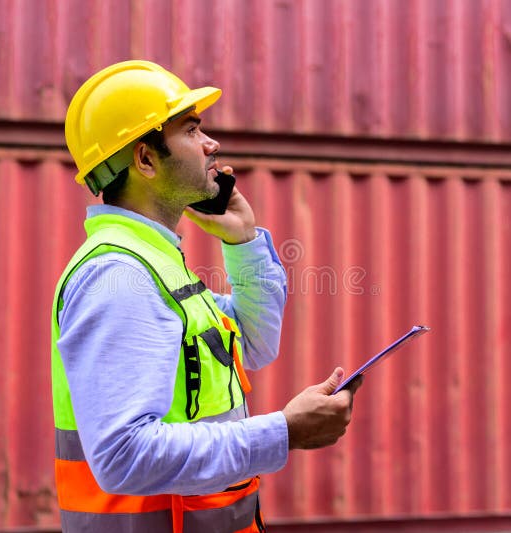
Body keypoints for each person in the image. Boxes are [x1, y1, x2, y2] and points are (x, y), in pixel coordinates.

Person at [51, 60, 363, 533]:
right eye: (192, 130)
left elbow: (255, 342)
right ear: (146, 160)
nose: (211, 143)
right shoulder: (118, 276)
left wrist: (243, 241)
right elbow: (123, 456)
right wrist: (284, 432)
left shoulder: (154, 263)